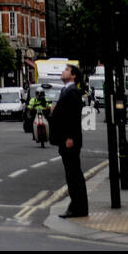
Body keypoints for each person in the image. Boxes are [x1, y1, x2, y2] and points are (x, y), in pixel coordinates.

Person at [49, 64, 88, 218]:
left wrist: (70, 137)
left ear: (73, 76)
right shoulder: (66, 90)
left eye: (66, 70)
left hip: (69, 140)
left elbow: (72, 116)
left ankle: (78, 208)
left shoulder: (72, 92)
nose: (63, 72)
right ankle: (76, 206)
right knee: (71, 174)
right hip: (65, 139)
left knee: (74, 175)